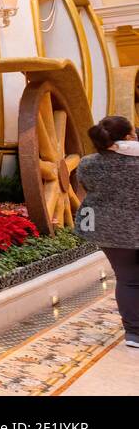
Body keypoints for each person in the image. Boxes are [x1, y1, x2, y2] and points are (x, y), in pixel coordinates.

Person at [77, 115, 139, 349]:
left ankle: (134, 333)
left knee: (128, 280)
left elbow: (87, 187)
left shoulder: (88, 163)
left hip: (109, 232)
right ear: (126, 137)